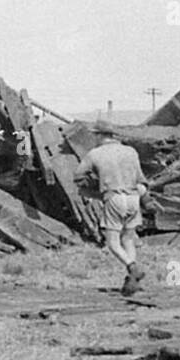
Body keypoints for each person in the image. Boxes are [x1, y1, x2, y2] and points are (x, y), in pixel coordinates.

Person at [73, 120, 148, 295]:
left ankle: (132, 267)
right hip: (133, 198)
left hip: (114, 198)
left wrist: (93, 188)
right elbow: (141, 179)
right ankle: (132, 280)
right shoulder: (131, 151)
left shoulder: (95, 154)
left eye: (95, 135)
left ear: (99, 135)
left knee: (112, 242)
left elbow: (78, 176)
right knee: (128, 240)